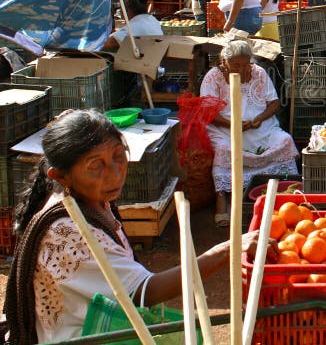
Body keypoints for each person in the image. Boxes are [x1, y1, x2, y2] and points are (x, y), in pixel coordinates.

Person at [2, 109, 269, 344]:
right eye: (96, 166)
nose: (116, 173)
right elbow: (144, 292)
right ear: (60, 176)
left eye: (119, 156)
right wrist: (227, 251)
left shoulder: (89, 199)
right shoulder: (68, 232)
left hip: (103, 328)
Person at [200, 40, 299, 227]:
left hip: (260, 128)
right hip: (224, 129)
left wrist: (259, 118)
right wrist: (232, 124)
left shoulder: (258, 72)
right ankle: (222, 198)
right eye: (236, 65)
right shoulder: (213, 77)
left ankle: (284, 192)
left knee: (285, 141)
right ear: (224, 62)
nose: (242, 69)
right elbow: (207, 113)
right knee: (223, 149)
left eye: (246, 64)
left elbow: (274, 103)